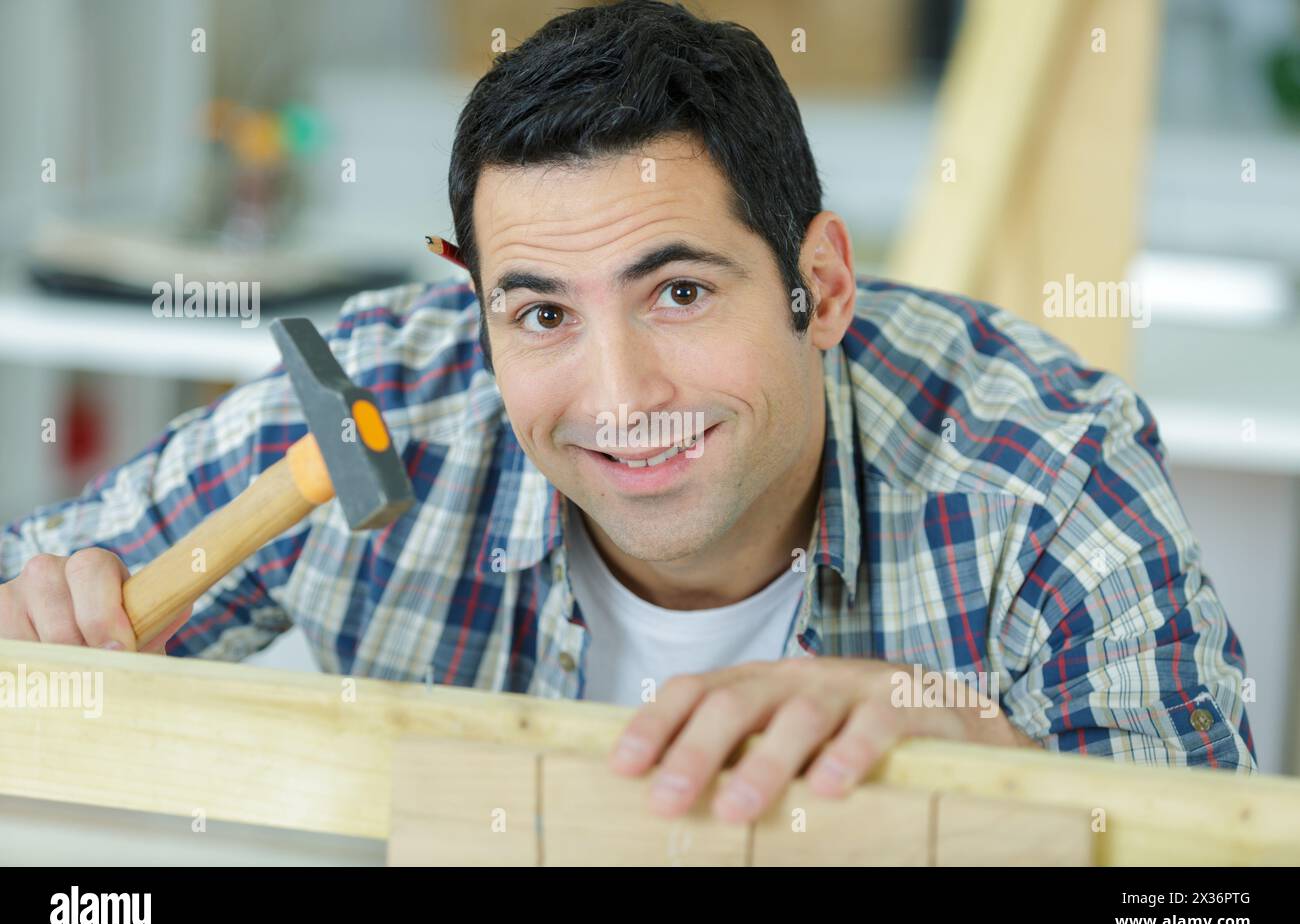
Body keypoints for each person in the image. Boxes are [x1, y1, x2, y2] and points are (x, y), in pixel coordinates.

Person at [0, 0, 1255, 825]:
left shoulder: (1045, 472)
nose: (616, 397)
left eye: (678, 291)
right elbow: (37, 602)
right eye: (539, 313)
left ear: (817, 283)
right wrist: (40, 631)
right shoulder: (385, 403)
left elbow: (1209, 895)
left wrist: (986, 755)